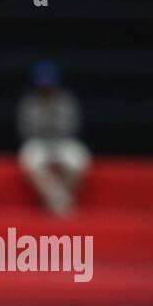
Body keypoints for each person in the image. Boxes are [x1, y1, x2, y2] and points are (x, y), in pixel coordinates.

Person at [17, 61, 90, 215]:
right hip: (39, 143)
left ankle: (57, 203)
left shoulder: (66, 102)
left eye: (49, 86)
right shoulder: (29, 103)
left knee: (78, 159)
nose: (46, 90)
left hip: (62, 142)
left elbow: (71, 128)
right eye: (43, 87)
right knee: (29, 159)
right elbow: (27, 130)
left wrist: (51, 116)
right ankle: (61, 204)